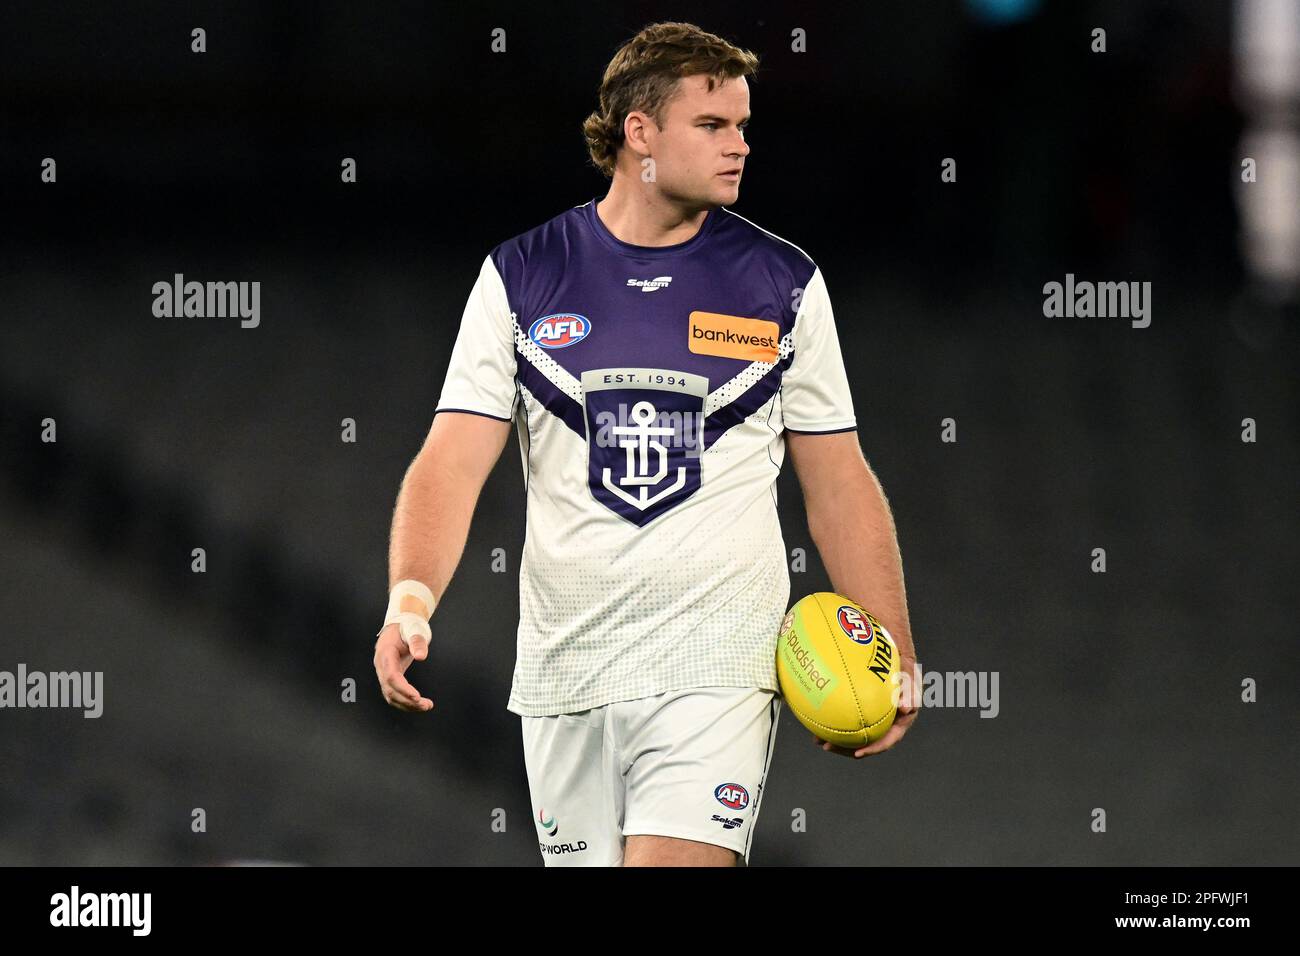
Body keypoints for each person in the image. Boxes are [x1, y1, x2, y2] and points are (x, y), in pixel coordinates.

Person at [373, 21, 919, 867]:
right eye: (713, 126)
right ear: (640, 134)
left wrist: (893, 644)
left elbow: (839, 481)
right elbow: (452, 458)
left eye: (743, 127)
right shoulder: (521, 275)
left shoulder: (785, 285)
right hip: (564, 671)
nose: (740, 145)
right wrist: (410, 602)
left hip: (718, 666)